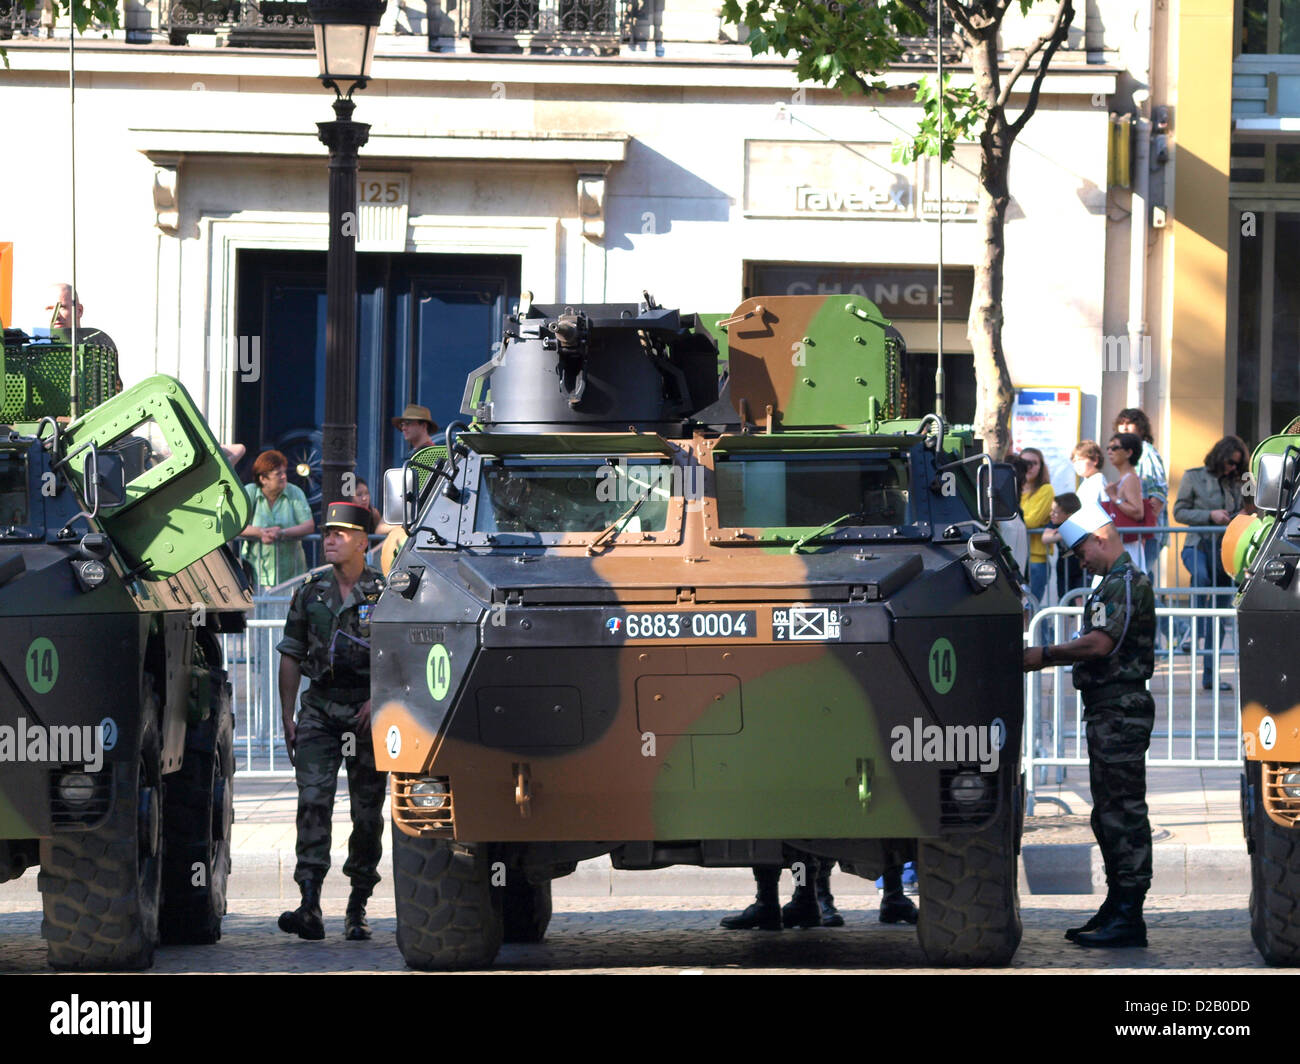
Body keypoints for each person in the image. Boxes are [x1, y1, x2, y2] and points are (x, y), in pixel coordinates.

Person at [1023, 506, 1156, 948]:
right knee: (1109, 814)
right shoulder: (1114, 583)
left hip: (1120, 709)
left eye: (1081, 551)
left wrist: (1041, 656)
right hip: (1109, 710)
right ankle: (1117, 905)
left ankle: (1128, 914)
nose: (1080, 561)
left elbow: (1099, 644)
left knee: (1122, 814)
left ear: (1102, 538)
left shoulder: (1122, 583)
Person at [276, 501, 388, 941]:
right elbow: (290, 653)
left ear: (363, 542)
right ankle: (309, 904)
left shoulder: (385, 592)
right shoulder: (310, 590)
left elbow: (397, 655)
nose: (330, 539)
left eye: (341, 534)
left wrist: (378, 699)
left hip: (365, 713)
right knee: (313, 800)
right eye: (327, 533)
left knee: (367, 813)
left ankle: (358, 906)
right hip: (320, 710)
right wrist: (287, 715)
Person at [1173, 435, 1252, 691]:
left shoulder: (1240, 480)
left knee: (1217, 616)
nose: (1232, 468)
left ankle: (1209, 675)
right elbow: (1179, 512)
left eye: (1237, 465)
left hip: (1225, 549)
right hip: (1198, 545)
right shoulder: (1193, 476)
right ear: (1220, 456)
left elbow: (1252, 508)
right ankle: (1192, 628)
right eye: (1230, 462)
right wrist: (1209, 515)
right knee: (1202, 580)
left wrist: (1243, 514)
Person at [239, 449, 315, 589]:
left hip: (291, 576)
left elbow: (308, 525)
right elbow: (236, 526)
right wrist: (260, 532)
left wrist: (281, 533)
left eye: (284, 472)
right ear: (263, 479)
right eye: (278, 474)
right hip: (257, 575)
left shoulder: (294, 492)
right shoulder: (250, 492)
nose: (284, 477)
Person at [1114, 408, 1168, 584]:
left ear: (1141, 428)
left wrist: (1145, 530)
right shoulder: (1128, 455)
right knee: (1140, 579)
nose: (1124, 427)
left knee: (1139, 580)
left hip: (1145, 533)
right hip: (1138, 531)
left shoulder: (1146, 451)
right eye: (1121, 423)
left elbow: (1158, 492)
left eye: (1129, 423)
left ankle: (1157, 611)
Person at [1103, 432, 1148, 572]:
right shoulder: (1125, 478)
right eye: (1108, 448)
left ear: (1128, 452)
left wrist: (1114, 497)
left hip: (1128, 547)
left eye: (1115, 448)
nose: (1110, 451)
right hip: (1123, 545)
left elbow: (1137, 511)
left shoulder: (1130, 479)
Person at [1019, 448, 1055, 604]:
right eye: (1025, 463)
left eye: (1034, 463)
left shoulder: (1046, 489)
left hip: (1035, 559)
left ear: (1041, 467)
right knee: (1019, 609)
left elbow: (1032, 521)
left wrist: (1009, 522)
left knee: (1032, 607)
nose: (1029, 467)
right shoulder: (1013, 489)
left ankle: (1043, 630)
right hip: (1015, 557)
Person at [1043, 492, 1084, 601]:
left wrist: (1060, 533)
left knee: (1080, 599)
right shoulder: (1055, 522)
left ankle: (1080, 618)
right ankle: (1067, 619)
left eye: (1055, 512)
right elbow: (1045, 538)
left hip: (1081, 567)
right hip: (1063, 567)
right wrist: (1063, 533)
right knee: (1063, 599)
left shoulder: (1080, 524)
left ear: (1069, 515)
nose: (1051, 514)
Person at [1071, 440, 1107, 510]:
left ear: (1095, 460)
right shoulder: (1087, 481)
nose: (1077, 464)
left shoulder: (1098, 481)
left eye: (1081, 459)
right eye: (1074, 461)